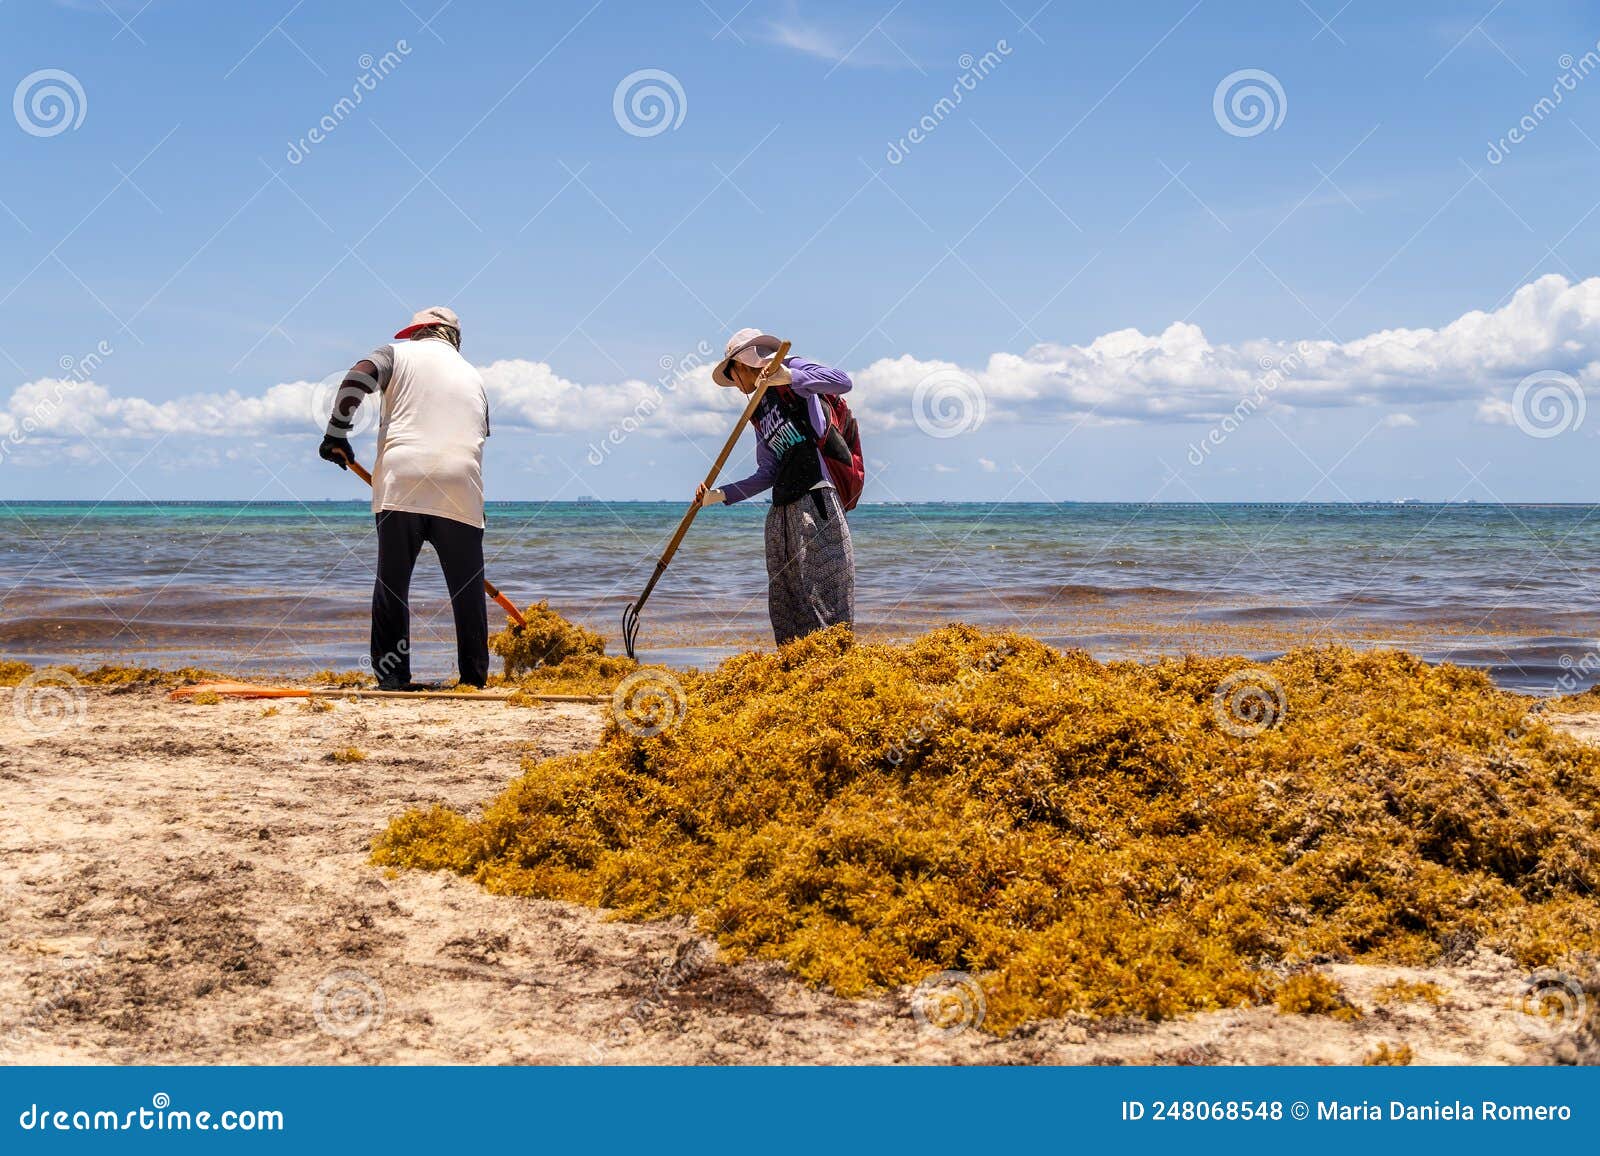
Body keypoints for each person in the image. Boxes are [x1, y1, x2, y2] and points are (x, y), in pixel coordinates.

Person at [318, 306, 492, 689]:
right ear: (452, 337)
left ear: (423, 331)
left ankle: (393, 677)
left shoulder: (395, 354)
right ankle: (474, 677)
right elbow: (476, 434)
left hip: (402, 479)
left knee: (392, 583)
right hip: (461, 484)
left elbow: (356, 378)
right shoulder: (474, 377)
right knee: (468, 589)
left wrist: (336, 434)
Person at [697, 328, 856, 645]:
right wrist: (719, 495)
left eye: (733, 378)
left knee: (823, 588)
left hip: (816, 498)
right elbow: (767, 472)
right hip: (781, 509)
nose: (736, 387)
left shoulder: (792, 371)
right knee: (787, 595)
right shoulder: (759, 410)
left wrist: (786, 376)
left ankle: (834, 660)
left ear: (741, 365)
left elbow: (842, 381)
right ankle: (793, 661)